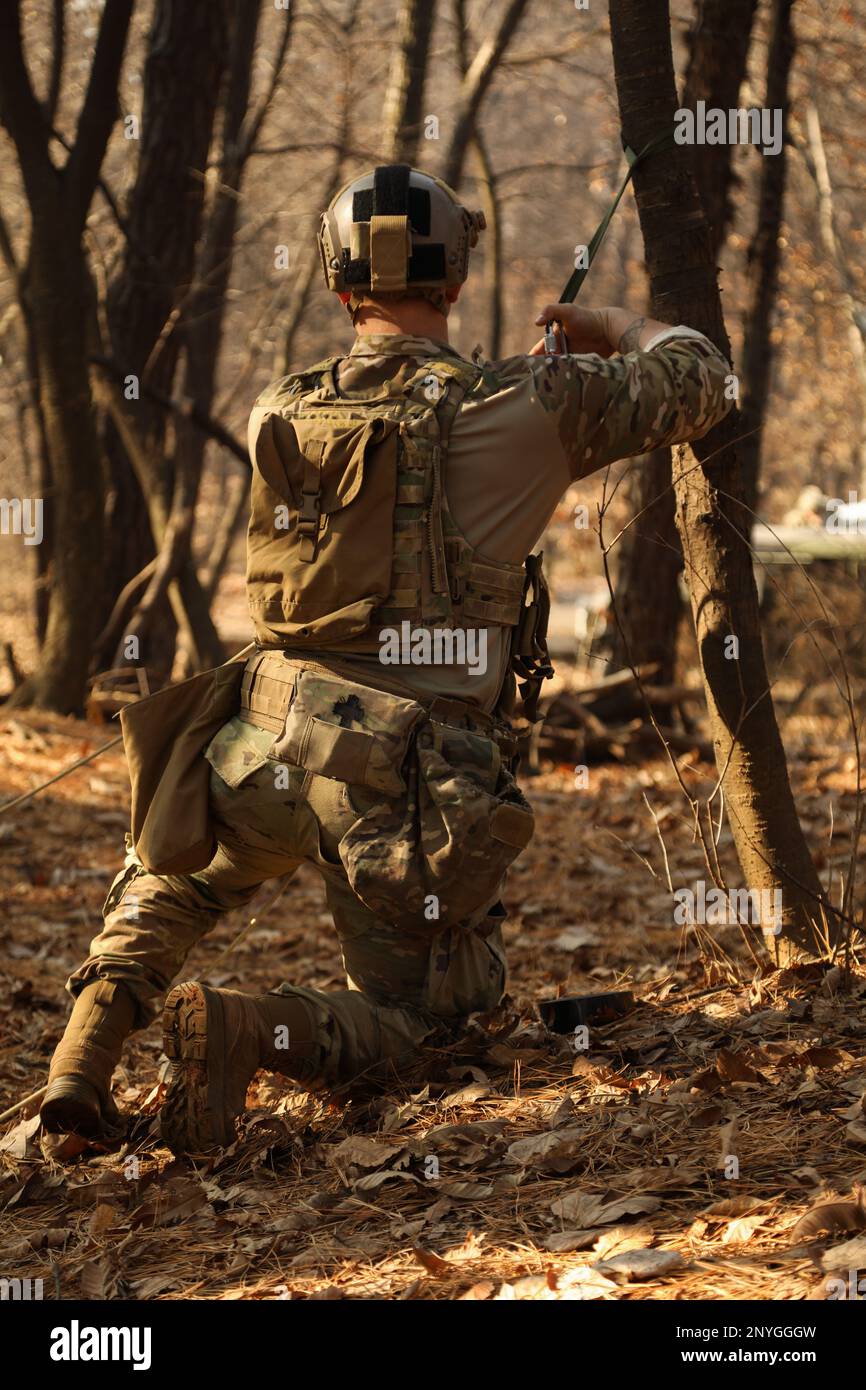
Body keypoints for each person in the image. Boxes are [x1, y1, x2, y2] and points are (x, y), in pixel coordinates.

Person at [40, 165, 732, 1154]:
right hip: (396, 779)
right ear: (453, 282)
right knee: (429, 1028)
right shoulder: (524, 402)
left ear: (336, 286)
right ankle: (243, 1028)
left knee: (175, 876)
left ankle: (83, 1052)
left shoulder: (277, 407)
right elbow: (699, 378)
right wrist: (610, 329)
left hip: (260, 737)